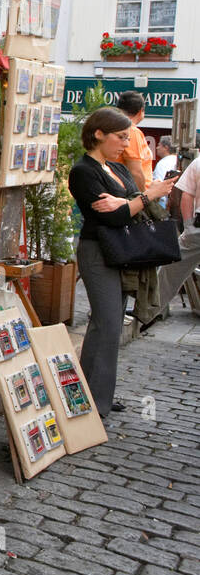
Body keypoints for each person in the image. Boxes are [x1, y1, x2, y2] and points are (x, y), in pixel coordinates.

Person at [66, 107, 175, 416]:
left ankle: (95, 394)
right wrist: (144, 197)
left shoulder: (118, 168)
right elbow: (114, 216)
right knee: (108, 322)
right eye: (121, 137)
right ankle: (94, 401)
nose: (126, 144)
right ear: (99, 133)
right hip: (98, 251)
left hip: (122, 252)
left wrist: (128, 201)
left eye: (128, 137)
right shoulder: (83, 171)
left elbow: (129, 206)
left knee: (108, 325)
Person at [135, 153, 200, 328]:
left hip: (197, 230)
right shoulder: (198, 163)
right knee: (171, 269)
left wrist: (189, 226)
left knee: (170, 270)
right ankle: (148, 312)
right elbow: (187, 195)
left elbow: (187, 195)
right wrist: (189, 226)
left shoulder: (198, 162)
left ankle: (148, 312)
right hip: (196, 231)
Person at [117, 91, 154, 192]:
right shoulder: (132, 131)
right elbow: (135, 172)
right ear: (141, 111)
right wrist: (143, 197)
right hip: (131, 193)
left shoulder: (116, 128)